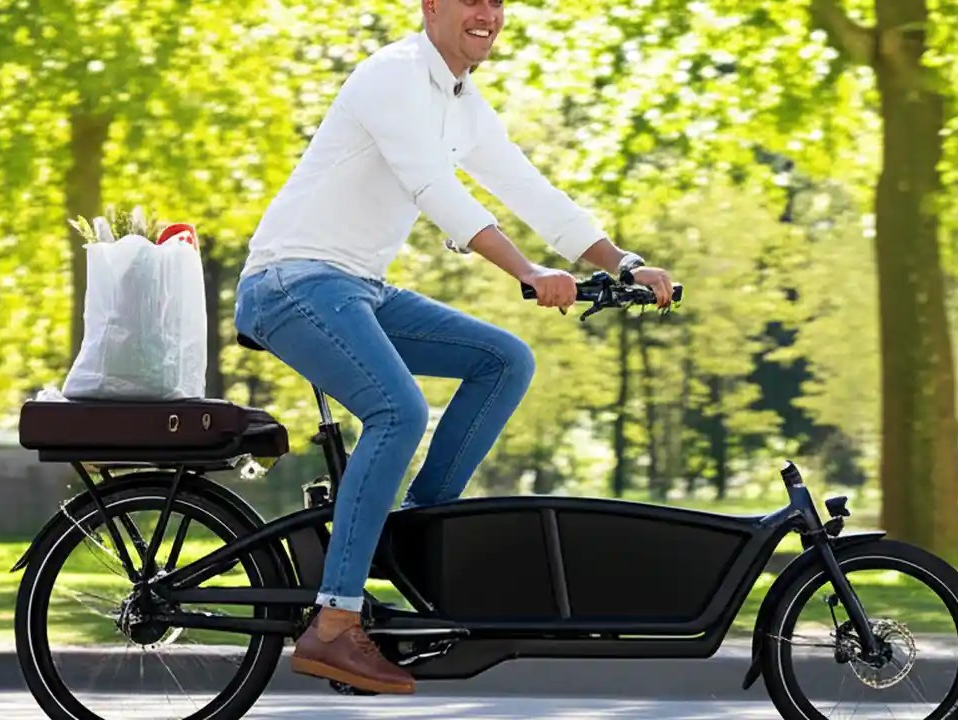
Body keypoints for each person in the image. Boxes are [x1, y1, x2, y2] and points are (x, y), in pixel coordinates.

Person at [232, 0, 675, 696]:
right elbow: (433, 188)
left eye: (497, 3)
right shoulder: (393, 74)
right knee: (398, 412)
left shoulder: (462, 101)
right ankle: (335, 623)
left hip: (359, 287)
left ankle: (410, 542)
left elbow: (532, 189)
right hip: (292, 281)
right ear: (431, 7)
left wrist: (623, 262)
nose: (487, 13)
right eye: (471, 0)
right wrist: (526, 271)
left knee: (504, 360)